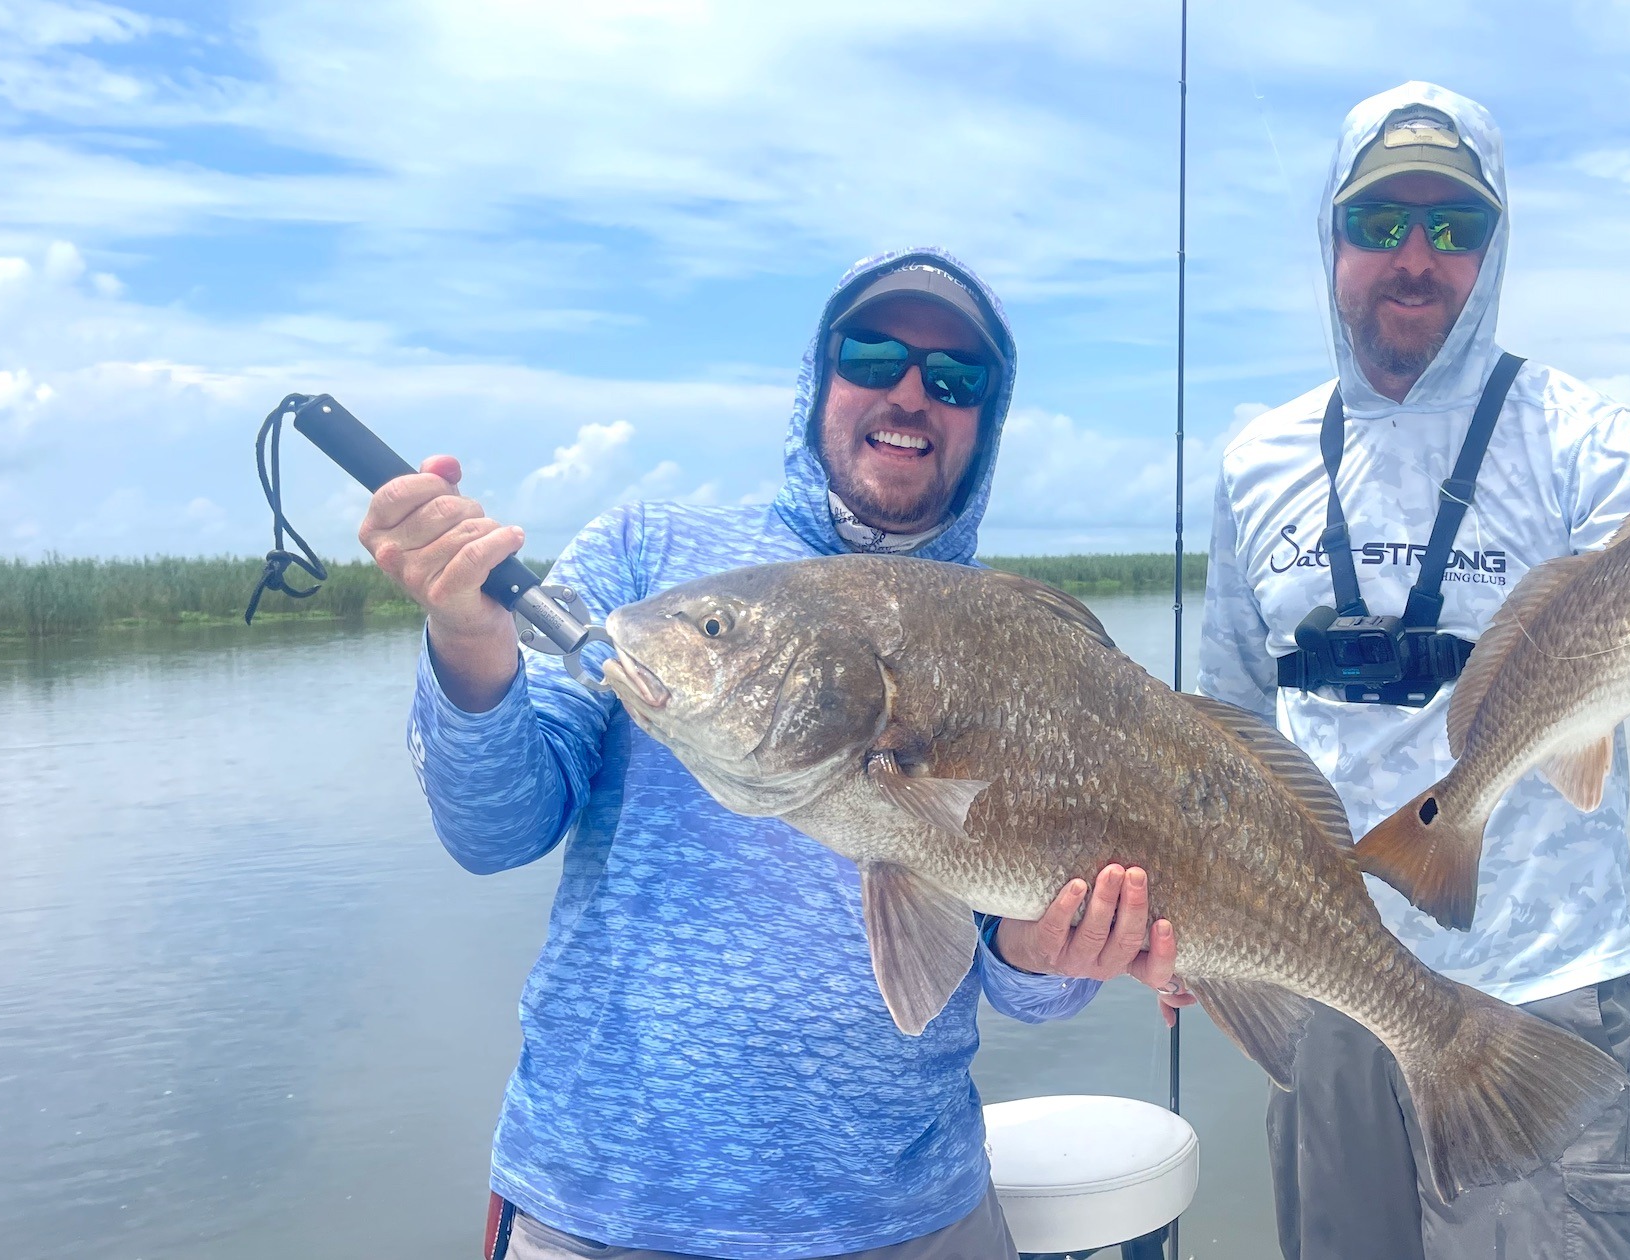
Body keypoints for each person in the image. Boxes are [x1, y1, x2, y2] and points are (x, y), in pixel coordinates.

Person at [360, 250, 1182, 1260]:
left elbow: (1020, 981)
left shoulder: (1018, 639)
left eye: (955, 376)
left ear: (988, 419)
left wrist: (1049, 956)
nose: (910, 393)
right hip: (605, 1214)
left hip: (913, 1216)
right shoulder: (645, 555)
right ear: (817, 381)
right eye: (871, 355)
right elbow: (495, 828)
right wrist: (467, 638)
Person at [1196, 84, 1630, 1260]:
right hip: (1318, 973)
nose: (1415, 255)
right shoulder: (1256, 462)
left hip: (1540, 979)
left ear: (1494, 248)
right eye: (1380, 220)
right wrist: (1197, 915)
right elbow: (1224, 728)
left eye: (1454, 225)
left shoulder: (1586, 441)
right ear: (1329, 236)